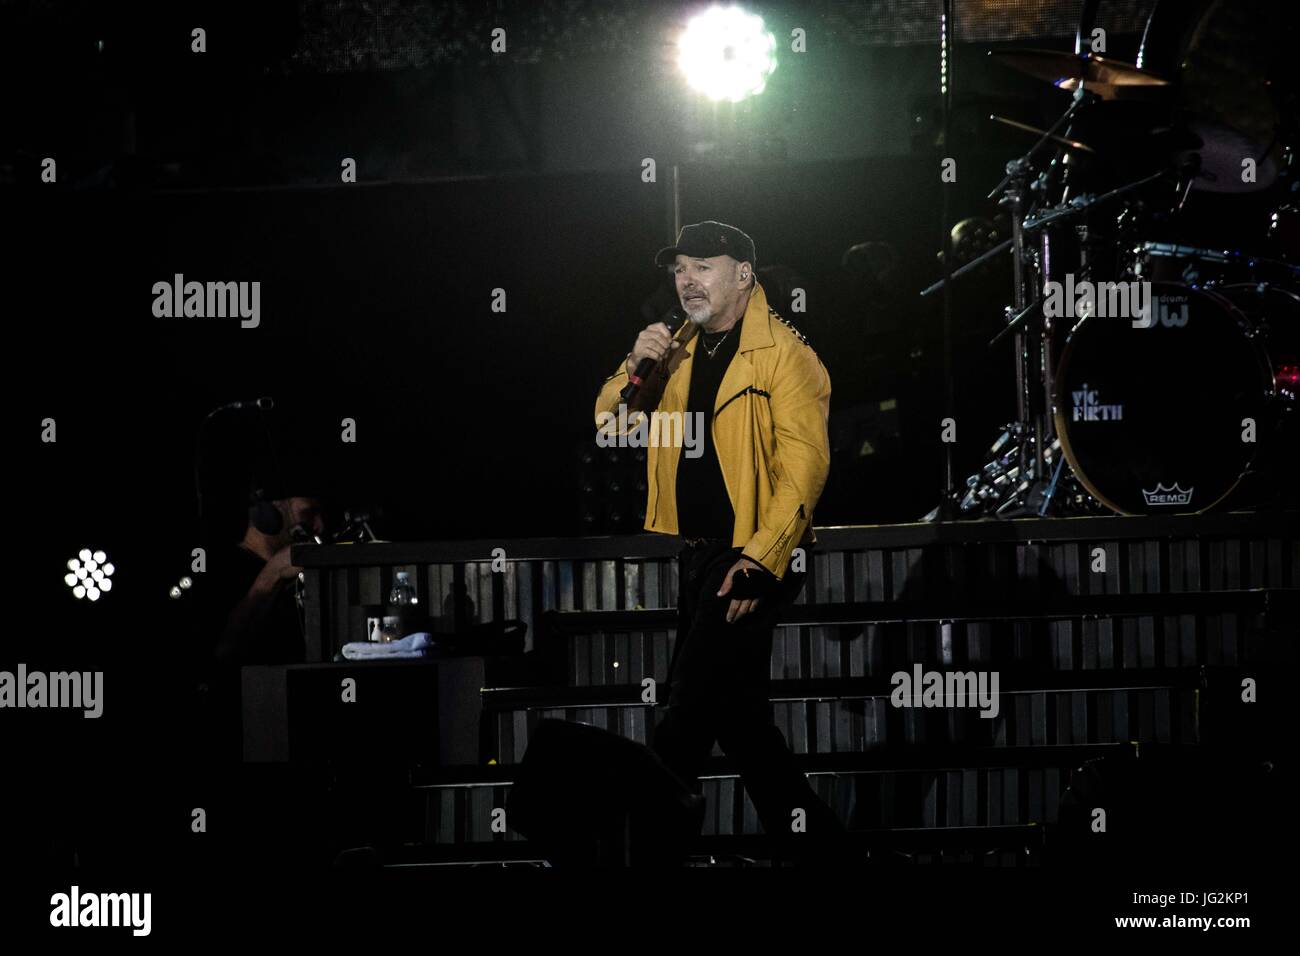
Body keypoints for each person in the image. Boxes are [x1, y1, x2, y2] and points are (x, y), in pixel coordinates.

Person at [594, 220, 851, 865]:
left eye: (702, 267)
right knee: (743, 727)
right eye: (679, 269)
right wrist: (635, 368)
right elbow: (610, 428)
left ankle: (636, 856)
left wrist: (760, 561)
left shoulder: (787, 356)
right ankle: (825, 855)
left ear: (743, 273)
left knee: (684, 714)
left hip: (751, 555)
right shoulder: (674, 350)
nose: (686, 281)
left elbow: (804, 469)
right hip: (700, 553)